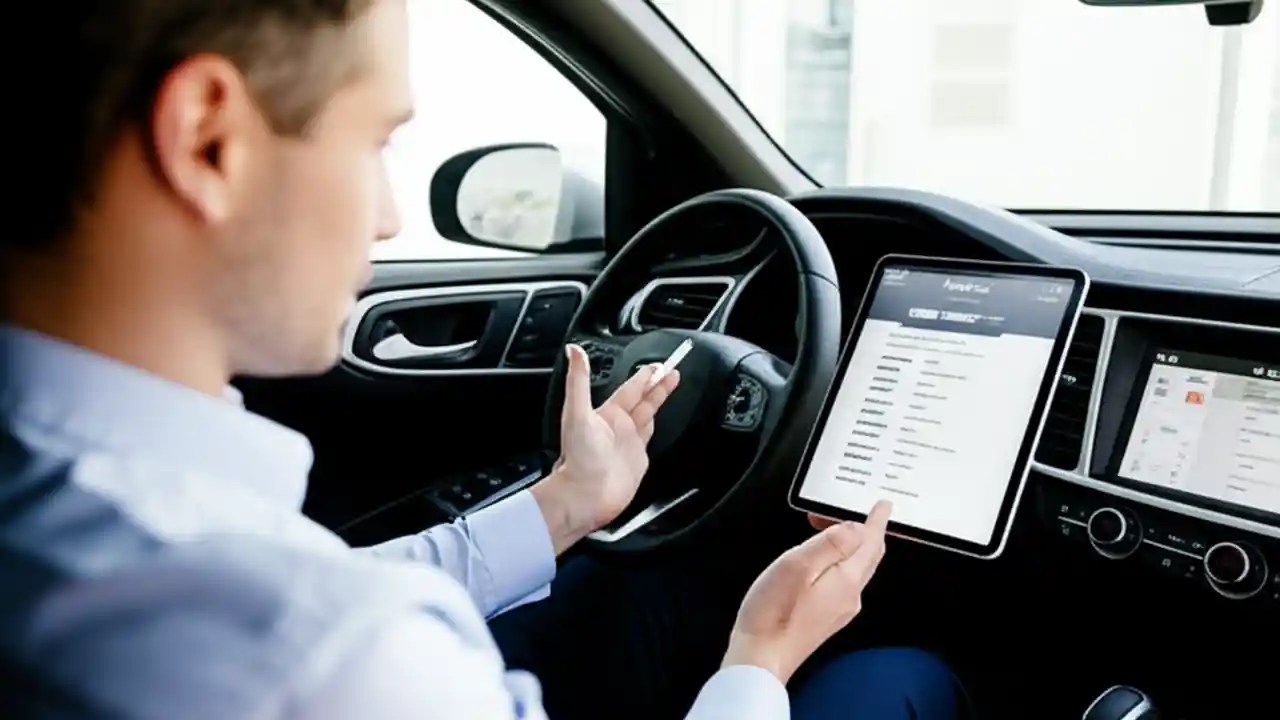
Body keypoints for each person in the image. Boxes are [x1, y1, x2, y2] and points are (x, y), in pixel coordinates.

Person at [0, 1, 965, 718]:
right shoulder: (334, 660)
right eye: (375, 140)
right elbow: (331, 622)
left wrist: (562, 506)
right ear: (207, 140)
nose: (386, 216)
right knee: (903, 681)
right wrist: (757, 661)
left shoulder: (83, 513)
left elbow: (345, 581)